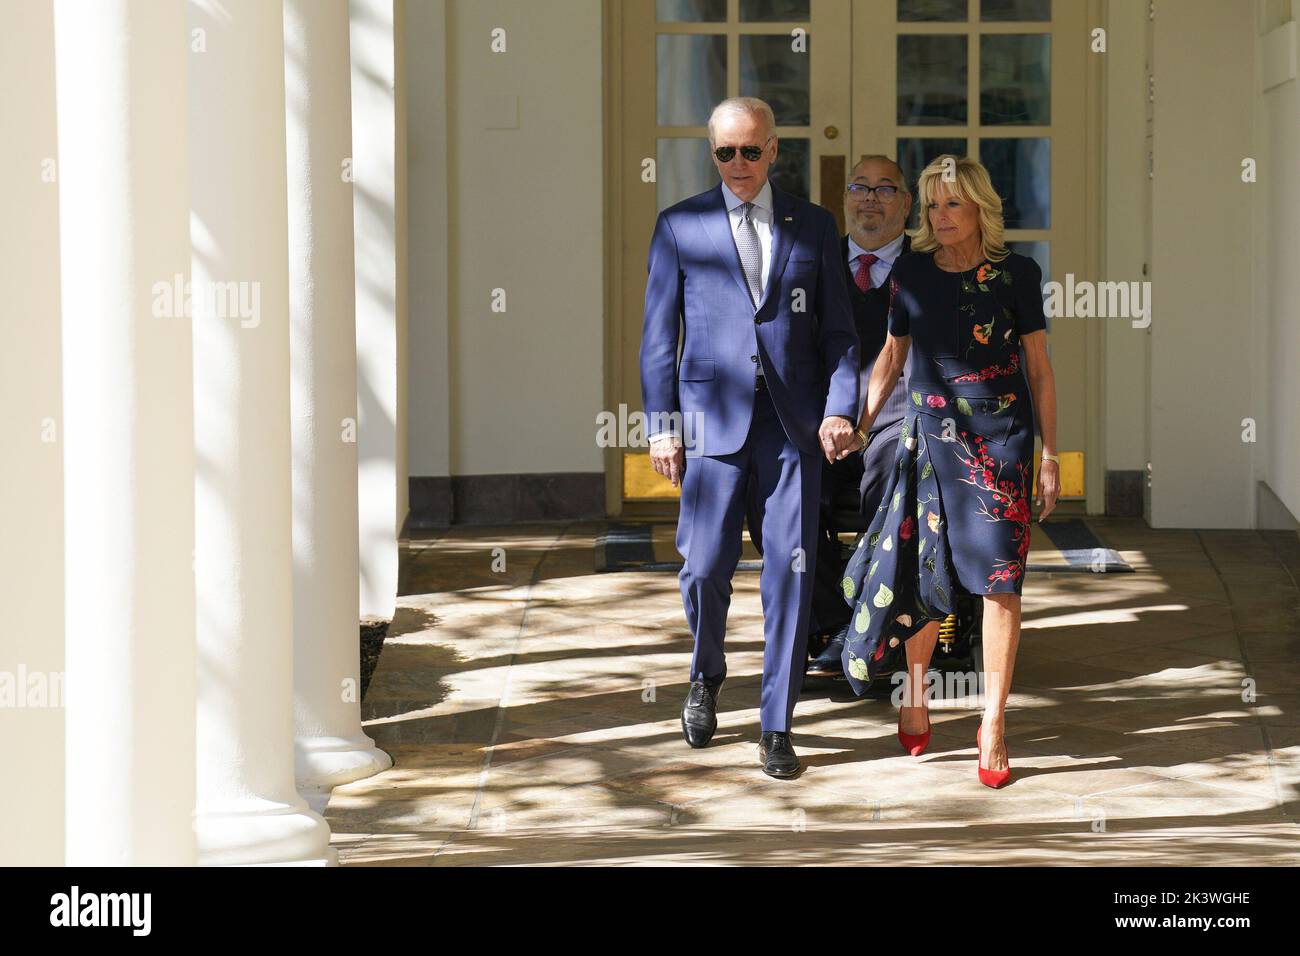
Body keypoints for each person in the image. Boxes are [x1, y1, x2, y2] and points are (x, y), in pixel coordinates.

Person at [640, 97, 861, 779]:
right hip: (711, 425)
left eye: (751, 151)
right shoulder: (680, 225)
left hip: (794, 429)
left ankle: (776, 722)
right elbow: (658, 338)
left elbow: (840, 334)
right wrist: (661, 428)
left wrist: (839, 408)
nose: (739, 164)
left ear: (774, 151)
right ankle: (706, 674)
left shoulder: (815, 226)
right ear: (714, 153)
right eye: (725, 152)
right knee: (704, 565)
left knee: (789, 570)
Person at [840, 155, 1060, 788]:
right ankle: (914, 689)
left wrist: (1050, 454)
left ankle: (992, 722)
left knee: (999, 583)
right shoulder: (909, 271)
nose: (939, 216)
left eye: (952, 205)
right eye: (933, 205)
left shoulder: (1018, 274)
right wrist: (861, 423)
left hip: (1002, 446)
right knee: (925, 570)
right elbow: (892, 353)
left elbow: (1040, 368)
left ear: (980, 210)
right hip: (931, 443)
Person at [806, 155, 914, 676]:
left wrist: (864, 424)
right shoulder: (812, 261)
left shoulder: (927, 266)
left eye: (885, 188)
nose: (870, 198)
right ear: (845, 198)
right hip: (824, 421)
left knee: (889, 472)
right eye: (859, 187)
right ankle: (831, 618)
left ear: (906, 203)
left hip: (896, 420)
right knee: (784, 488)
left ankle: (868, 626)